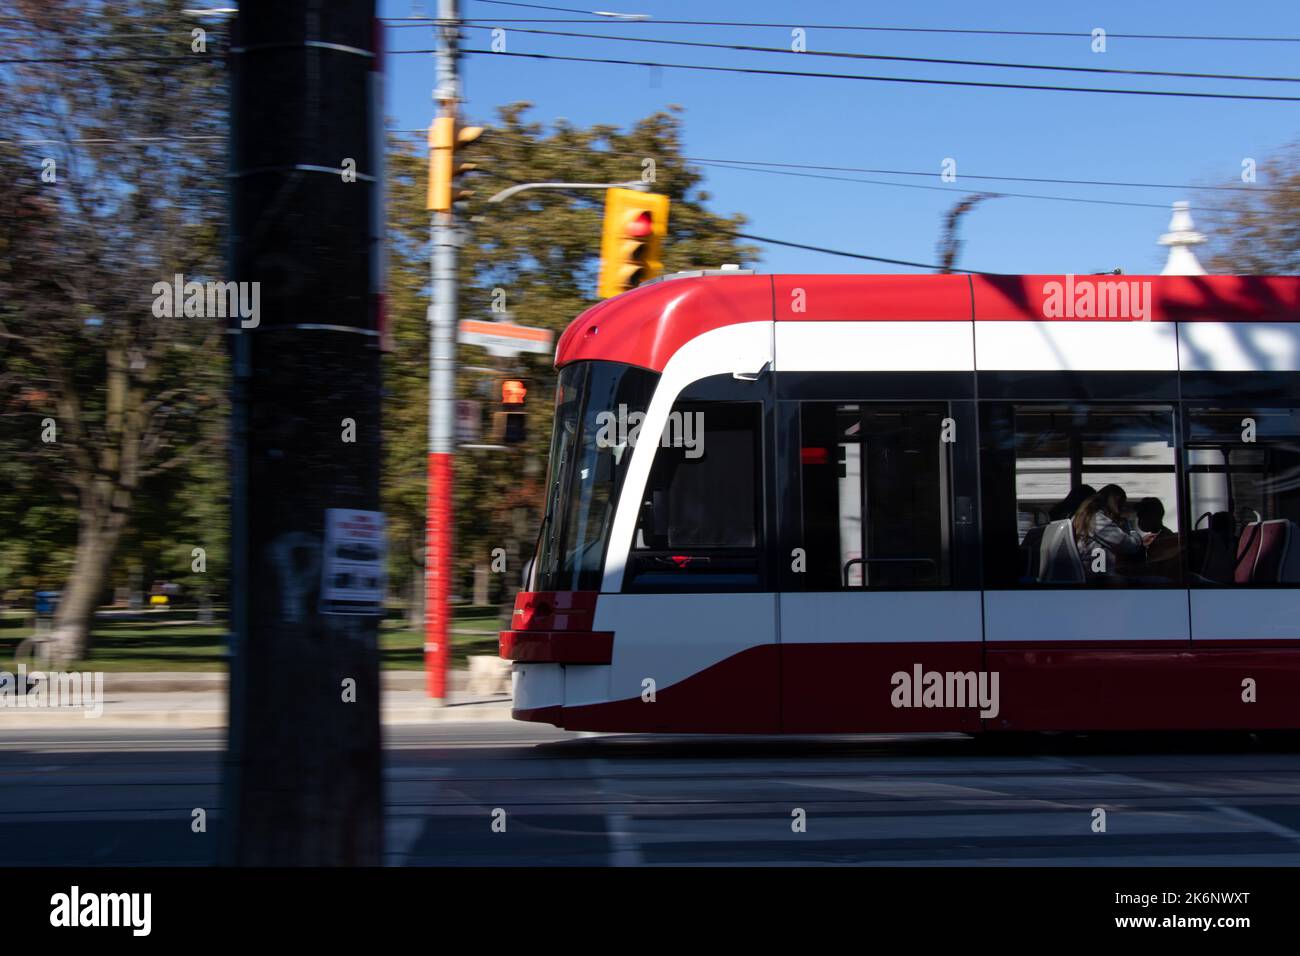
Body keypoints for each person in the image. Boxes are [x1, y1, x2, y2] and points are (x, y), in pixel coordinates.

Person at [1073, 484, 1145, 579]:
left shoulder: (1089, 517)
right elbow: (1128, 544)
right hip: (1098, 576)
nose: (1122, 509)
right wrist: (1134, 533)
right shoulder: (1097, 520)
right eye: (1121, 505)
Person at [1137, 496, 1179, 581]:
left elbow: (1157, 569)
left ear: (1154, 516)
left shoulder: (1165, 539)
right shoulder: (1154, 537)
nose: (1139, 520)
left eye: (1142, 516)